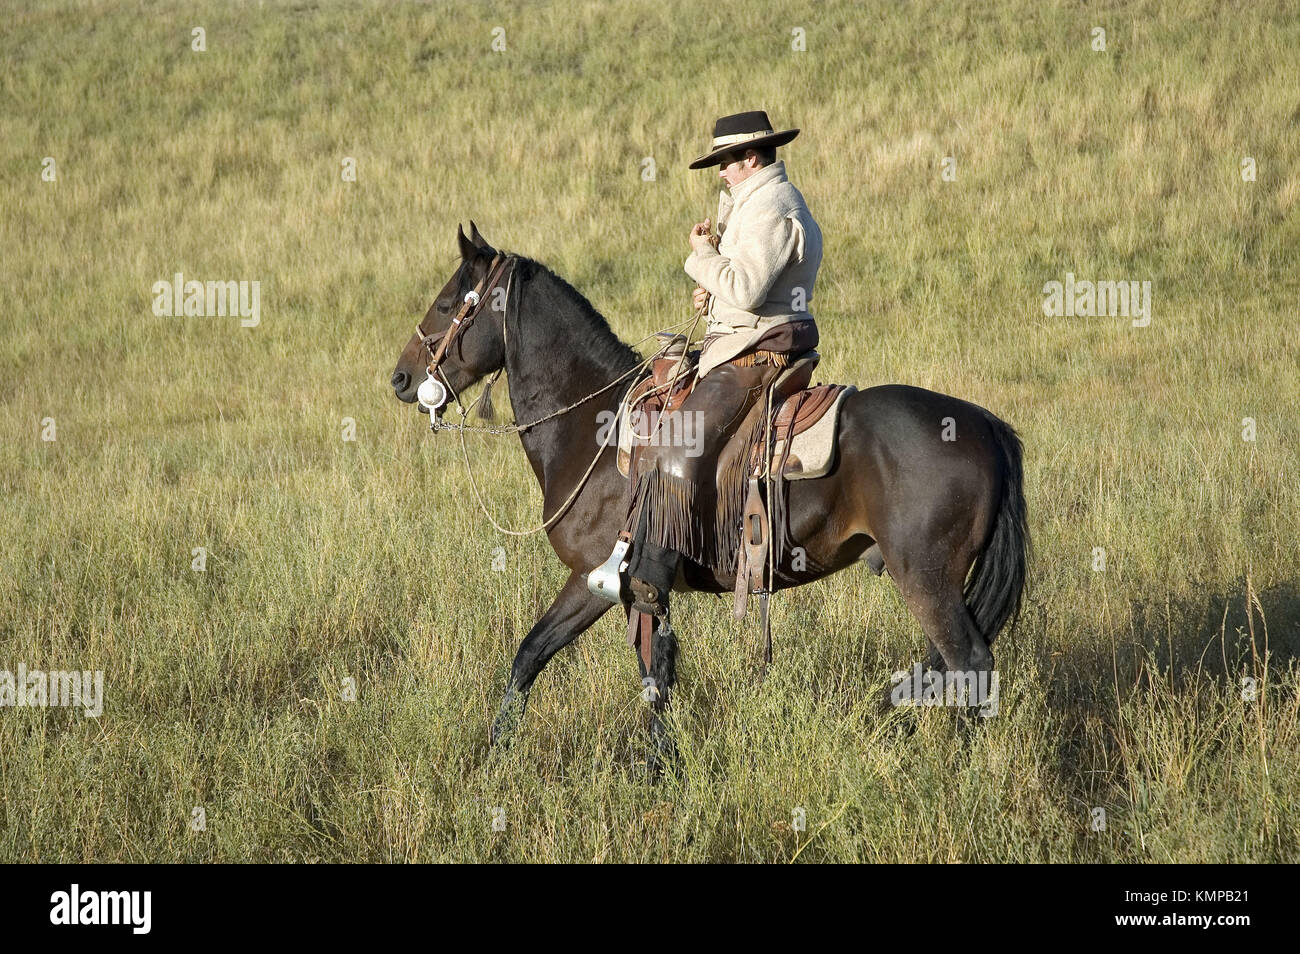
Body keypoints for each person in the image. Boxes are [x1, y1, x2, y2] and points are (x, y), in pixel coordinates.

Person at [591, 110, 823, 616]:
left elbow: (748, 287)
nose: (721, 172)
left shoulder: (771, 207)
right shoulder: (757, 202)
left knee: (680, 440)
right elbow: (747, 287)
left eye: (726, 162)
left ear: (751, 158)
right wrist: (711, 296)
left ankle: (656, 571)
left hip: (757, 351)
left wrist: (700, 255)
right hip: (747, 336)